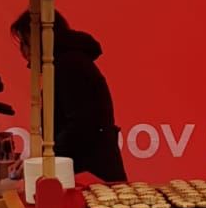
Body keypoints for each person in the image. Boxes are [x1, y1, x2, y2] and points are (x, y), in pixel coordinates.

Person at [10, 10, 126, 182]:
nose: (24, 52)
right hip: (84, 167)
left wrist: (46, 160)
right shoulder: (65, 64)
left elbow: (81, 126)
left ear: (43, 38)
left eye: (26, 43)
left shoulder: (70, 66)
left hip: (92, 173)